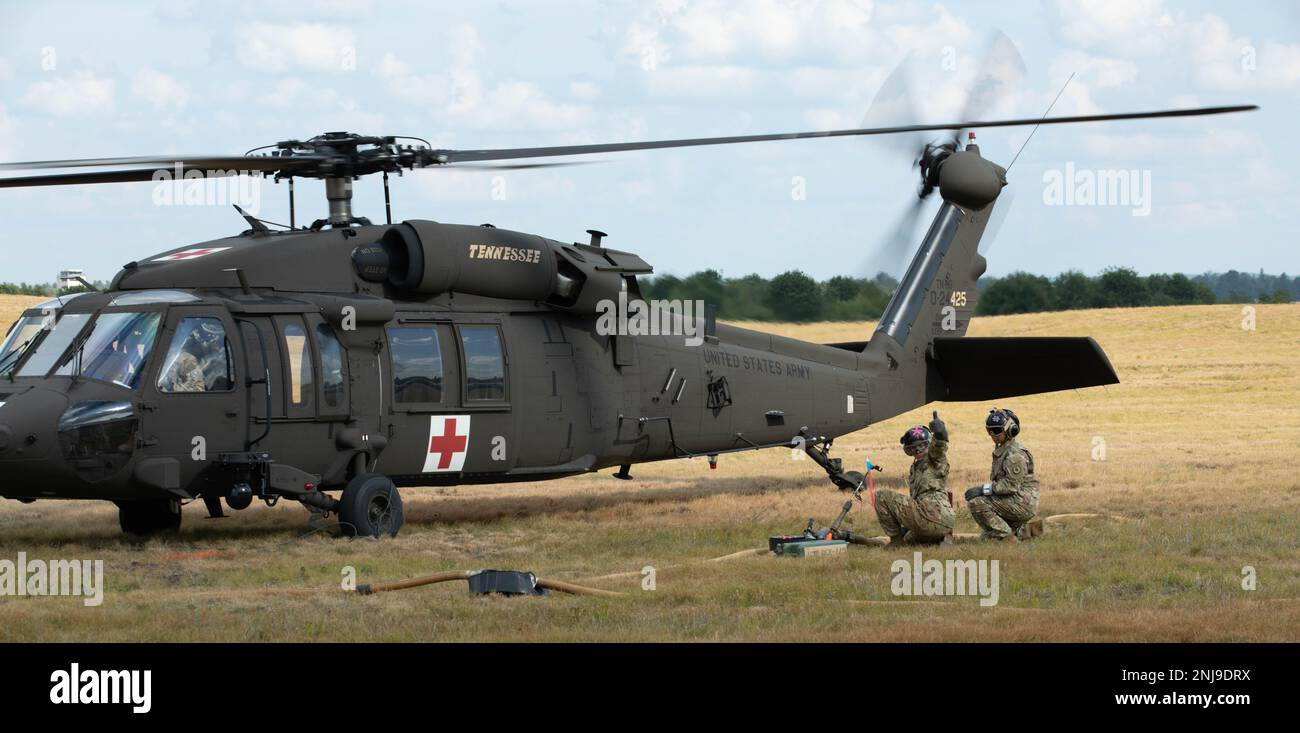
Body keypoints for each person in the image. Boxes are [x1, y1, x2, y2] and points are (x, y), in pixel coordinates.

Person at [873, 411, 954, 545]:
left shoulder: (934, 459)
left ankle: (896, 543)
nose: (917, 451)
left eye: (921, 446)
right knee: (909, 539)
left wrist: (940, 432)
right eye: (912, 449)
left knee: (881, 496)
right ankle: (932, 541)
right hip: (934, 519)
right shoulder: (915, 468)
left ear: (928, 444)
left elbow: (940, 446)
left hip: (933, 516)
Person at [964, 408, 1044, 541]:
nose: (992, 434)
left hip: (1021, 502)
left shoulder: (1014, 455)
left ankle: (1006, 537)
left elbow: (1010, 486)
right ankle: (1024, 531)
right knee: (986, 538)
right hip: (1016, 499)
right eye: (989, 430)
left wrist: (982, 490)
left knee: (976, 502)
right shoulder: (1003, 449)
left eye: (996, 430)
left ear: (1010, 430)